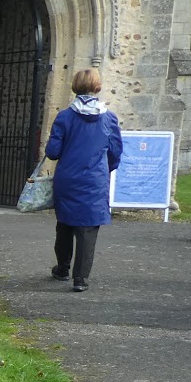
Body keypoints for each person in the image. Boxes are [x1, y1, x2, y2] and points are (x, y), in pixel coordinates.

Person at [44, 68, 122, 293]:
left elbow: (53, 151)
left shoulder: (65, 117)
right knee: (88, 229)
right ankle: (81, 279)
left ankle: (62, 268)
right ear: (97, 87)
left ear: (75, 86)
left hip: (68, 178)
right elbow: (116, 151)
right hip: (94, 180)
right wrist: (105, 169)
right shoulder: (108, 118)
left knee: (65, 225)